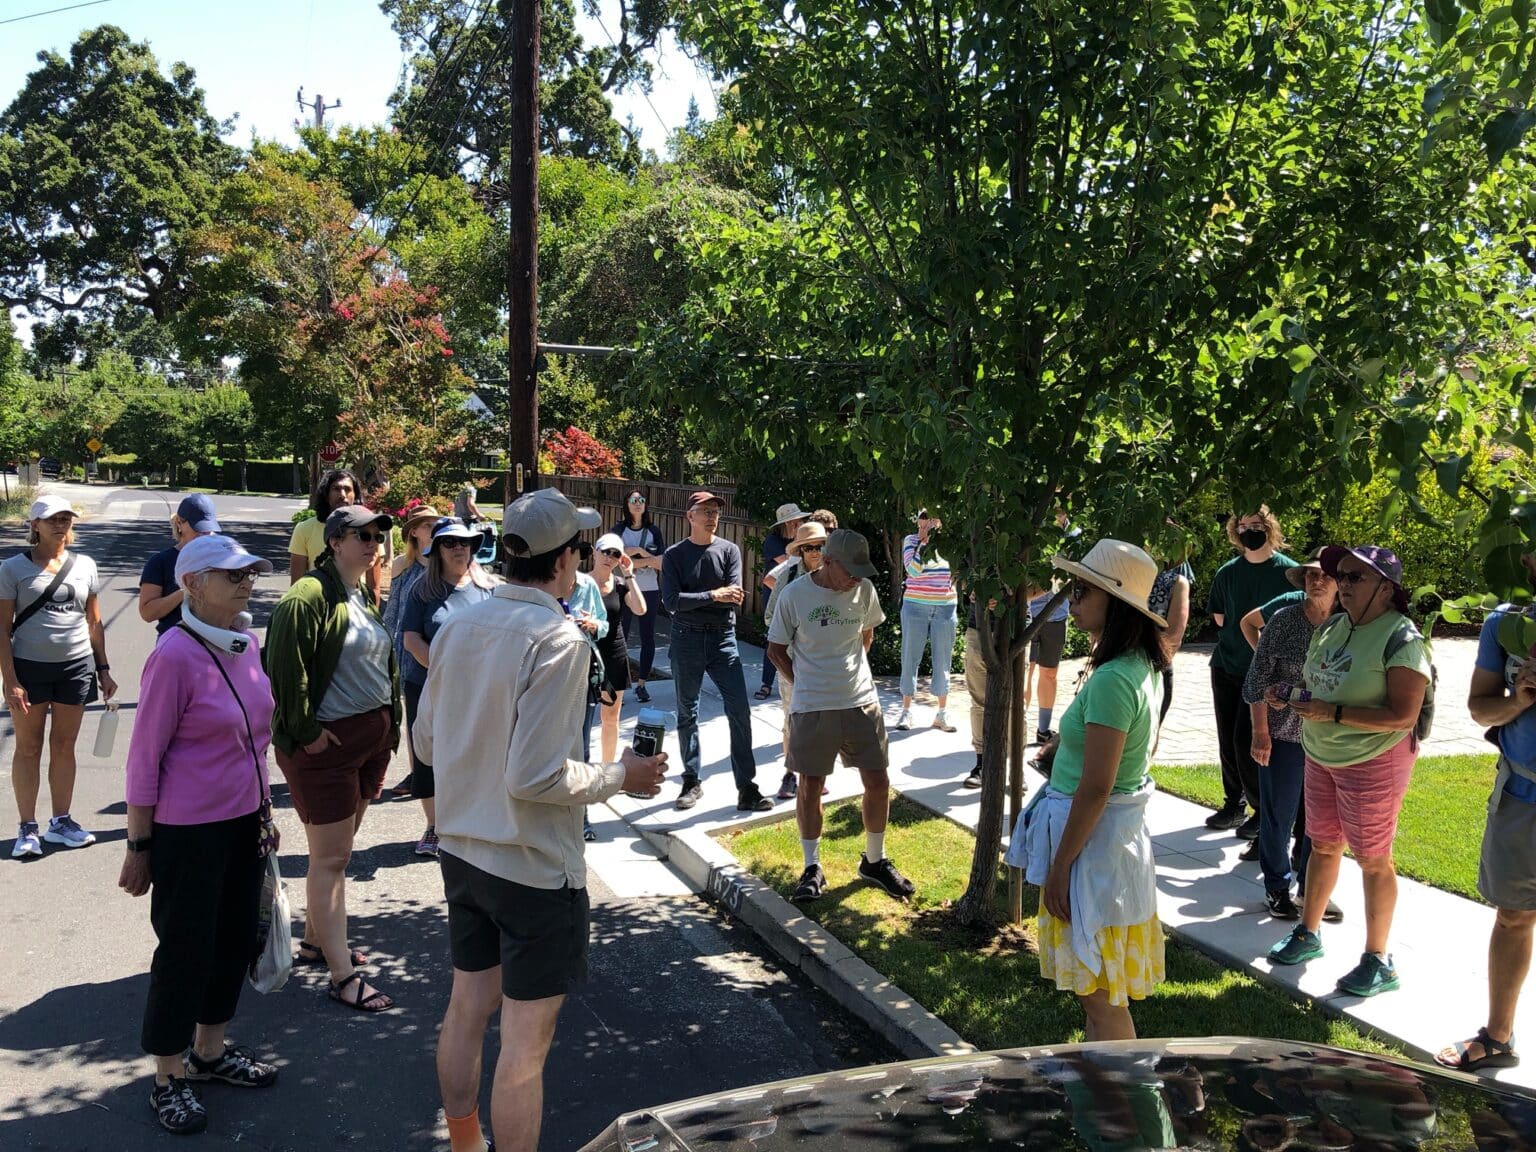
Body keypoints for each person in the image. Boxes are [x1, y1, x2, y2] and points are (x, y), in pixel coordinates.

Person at [415, 486, 668, 1152]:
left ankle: (467, 1143)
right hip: (531, 867)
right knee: (525, 1048)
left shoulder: (458, 622)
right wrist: (623, 777)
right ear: (564, 562)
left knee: (467, 1007)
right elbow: (537, 776)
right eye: (581, 551)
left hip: (463, 853)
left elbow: (424, 743)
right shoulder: (558, 640)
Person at [119, 534, 279, 1134]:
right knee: (185, 950)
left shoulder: (246, 643)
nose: (246, 583)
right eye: (232, 576)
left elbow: (253, 738)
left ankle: (210, 1053)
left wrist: (264, 813)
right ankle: (167, 1075)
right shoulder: (174, 655)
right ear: (192, 584)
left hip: (242, 822)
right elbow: (143, 759)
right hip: (188, 832)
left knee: (235, 940)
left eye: (249, 575)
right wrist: (139, 847)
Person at [1017, 539, 1168, 1041]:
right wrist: (1066, 739)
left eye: (1084, 590)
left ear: (1118, 604)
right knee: (1096, 995)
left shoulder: (1114, 679)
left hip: (1092, 852)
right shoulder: (1134, 667)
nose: (1073, 598)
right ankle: (1103, 1099)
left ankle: (1129, 1107)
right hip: (1107, 848)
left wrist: (1059, 868)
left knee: (1100, 1000)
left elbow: (1098, 786)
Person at [1266, 546, 1430, 998]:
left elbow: (1402, 715)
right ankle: (1308, 932)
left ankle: (1378, 960)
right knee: (1322, 844)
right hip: (1321, 753)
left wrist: (1330, 712)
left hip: (1372, 760)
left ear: (1386, 587)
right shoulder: (1335, 625)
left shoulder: (1402, 638)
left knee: (1373, 859)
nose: (1345, 583)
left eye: (1356, 576)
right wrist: (1293, 693)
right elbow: (1319, 682)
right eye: (1344, 575)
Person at [267, 505, 401, 1012]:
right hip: (328, 751)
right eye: (360, 536)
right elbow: (283, 672)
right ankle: (342, 976)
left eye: (376, 536)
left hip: (367, 744)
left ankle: (317, 942)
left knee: (334, 854)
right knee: (332, 859)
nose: (372, 544)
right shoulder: (307, 598)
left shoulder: (361, 591)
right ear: (333, 542)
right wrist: (309, 733)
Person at [767, 529, 915, 902]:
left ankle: (874, 861)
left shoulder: (863, 589)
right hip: (812, 706)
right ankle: (812, 867)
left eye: (860, 570)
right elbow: (775, 649)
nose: (856, 577)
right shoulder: (794, 595)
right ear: (826, 561)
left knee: (878, 782)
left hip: (860, 700)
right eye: (849, 570)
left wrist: (853, 671)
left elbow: (866, 634)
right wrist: (806, 682)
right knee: (810, 786)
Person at [1437, 551, 1536, 1072]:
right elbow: (1480, 708)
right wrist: (1520, 699)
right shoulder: (1507, 624)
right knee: (1514, 914)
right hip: (1523, 796)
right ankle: (1499, 1037)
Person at [2, 494, 115, 857]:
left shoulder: (86, 564)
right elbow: (2, 630)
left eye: (66, 518)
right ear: (34, 525)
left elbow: (94, 622)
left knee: (64, 746)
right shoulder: (12, 569)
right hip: (29, 667)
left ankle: (61, 821)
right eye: (51, 518)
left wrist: (103, 668)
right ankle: (27, 828)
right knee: (29, 747)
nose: (60, 524)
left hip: (76, 666)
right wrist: (10, 679)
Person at [1242, 551, 1344, 921]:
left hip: (1330, 740)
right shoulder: (1284, 621)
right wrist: (1260, 733)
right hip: (1283, 736)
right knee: (1277, 815)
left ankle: (1311, 889)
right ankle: (1277, 887)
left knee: (1320, 821)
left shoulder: (1348, 626)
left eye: (1325, 576)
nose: (1317, 581)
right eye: (1310, 575)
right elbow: (1255, 681)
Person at [661, 491, 770, 812]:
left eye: (715, 511)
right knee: (687, 713)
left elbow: (734, 595)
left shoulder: (729, 551)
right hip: (687, 640)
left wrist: (703, 598)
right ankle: (692, 781)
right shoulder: (674, 555)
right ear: (689, 516)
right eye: (705, 511)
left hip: (723, 641)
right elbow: (671, 602)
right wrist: (713, 594)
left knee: (740, 711)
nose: (712, 516)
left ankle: (746, 787)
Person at [400, 518, 499, 858]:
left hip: (476, 690)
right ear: (438, 549)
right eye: (450, 542)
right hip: (427, 686)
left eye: (465, 542)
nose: (459, 548)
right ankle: (435, 825)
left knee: (472, 752)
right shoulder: (422, 590)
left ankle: (470, 821)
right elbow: (411, 639)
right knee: (427, 755)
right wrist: (446, 669)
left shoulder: (490, 588)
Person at [1205, 507, 1298, 839]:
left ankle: (1263, 812)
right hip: (1227, 665)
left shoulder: (1289, 573)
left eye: (1256, 525)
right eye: (1242, 526)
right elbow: (1218, 617)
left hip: (1269, 676)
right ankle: (1234, 804)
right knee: (1228, 741)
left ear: (1270, 527)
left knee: (1256, 743)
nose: (1249, 531)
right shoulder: (1227, 573)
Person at [765, 520, 829, 800]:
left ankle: (816, 774)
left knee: (822, 720)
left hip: (827, 661)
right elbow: (770, 616)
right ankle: (790, 774)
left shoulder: (837, 576)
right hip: (792, 660)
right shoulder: (788, 576)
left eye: (820, 546)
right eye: (809, 547)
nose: (815, 552)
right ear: (800, 550)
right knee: (792, 718)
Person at [383, 503, 442, 797]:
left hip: (438, 648)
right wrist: (384, 646)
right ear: (414, 533)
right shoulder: (402, 566)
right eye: (427, 525)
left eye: (436, 524)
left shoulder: (443, 564)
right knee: (415, 716)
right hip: (407, 647)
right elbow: (392, 610)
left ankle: (438, 772)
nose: (433, 530)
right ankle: (416, 772)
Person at [896, 509, 959, 733]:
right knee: (910, 656)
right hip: (915, 606)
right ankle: (906, 711)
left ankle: (942, 713)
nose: (926, 522)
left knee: (943, 659)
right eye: (923, 517)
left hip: (945, 606)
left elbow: (958, 570)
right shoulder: (910, 540)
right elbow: (912, 570)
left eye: (931, 518)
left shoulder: (951, 543)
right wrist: (923, 542)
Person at [591, 534, 648, 763]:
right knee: (578, 716)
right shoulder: (581, 582)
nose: (609, 557)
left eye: (615, 554)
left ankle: (607, 769)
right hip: (586, 652)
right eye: (605, 551)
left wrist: (629, 573)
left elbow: (641, 609)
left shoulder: (621, 584)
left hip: (614, 652)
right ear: (595, 552)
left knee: (611, 717)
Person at [138, 494, 220, 637]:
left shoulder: (221, 559)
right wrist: (186, 591)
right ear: (179, 524)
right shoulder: (160, 562)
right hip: (174, 645)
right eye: (198, 527)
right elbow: (147, 613)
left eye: (208, 528)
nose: (204, 533)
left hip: (215, 642)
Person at [614, 490, 666, 703]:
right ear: (626, 504)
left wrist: (637, 556)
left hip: (649, 589)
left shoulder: (654, 531)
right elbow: (615, 559)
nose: (638, 504)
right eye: (633, 501)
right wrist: (644, 556)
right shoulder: (618, 530)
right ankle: (618, 687)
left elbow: (662, 562)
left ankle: (642, 684)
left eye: (641, 500)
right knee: (620, 637)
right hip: (623, 588)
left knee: (648, 637)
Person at [755, 501, 808, 700]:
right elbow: (788, 565)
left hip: (798, 595)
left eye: (800, 520)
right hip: (776, 593)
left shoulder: (802, 539)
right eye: (794, 521)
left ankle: (795, 680)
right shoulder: (773, 541)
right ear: (786, 523)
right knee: (775, 638)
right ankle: (766, 683)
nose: (798, 523)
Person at [288, 469, 361, 583]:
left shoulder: (369, 529)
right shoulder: (304, 529)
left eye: (347, 489)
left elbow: (374, 587)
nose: (342, 495)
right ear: (326, 495)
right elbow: (296, 583)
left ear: (355, 495)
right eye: (336, 489)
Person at [1023, 583, 1069, 742]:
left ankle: (1043, 731)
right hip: (1025, 616)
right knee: (1024, 673)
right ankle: (1017, 728)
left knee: (1049, 673)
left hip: (1056, 617)